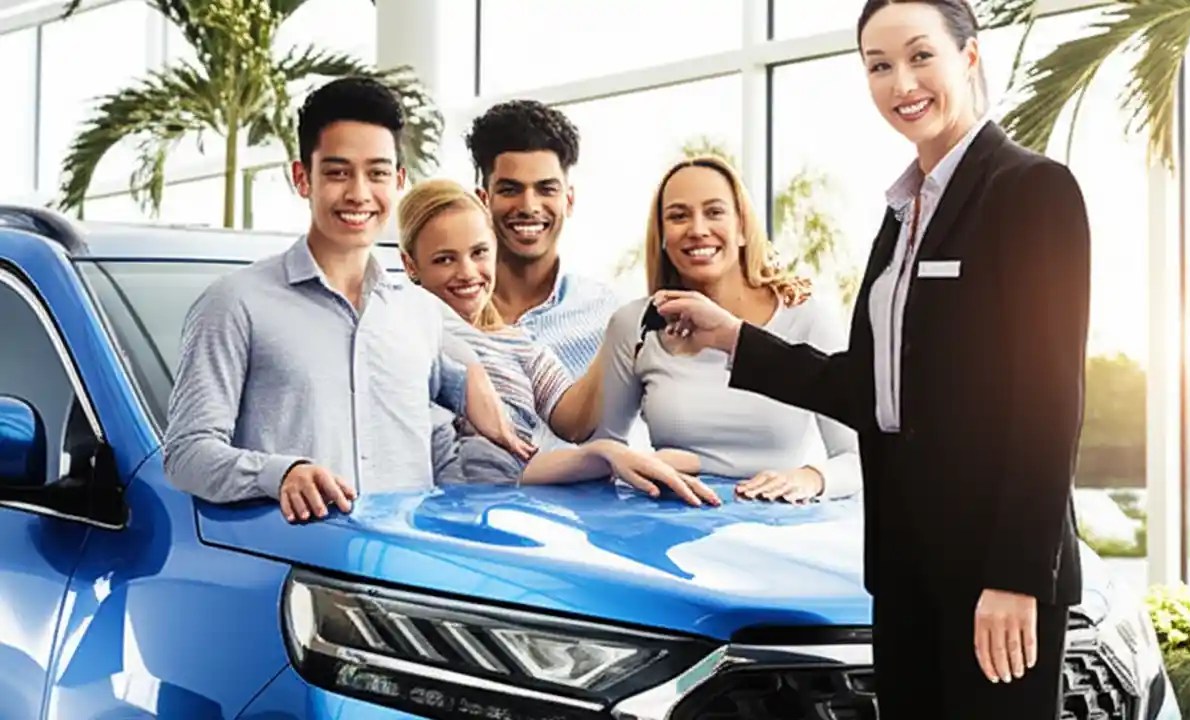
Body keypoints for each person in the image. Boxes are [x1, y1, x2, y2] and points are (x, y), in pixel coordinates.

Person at [654, 1, 1091, 716]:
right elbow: (868, 387)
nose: (901, 82)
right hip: (904, 571)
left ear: (970, 58)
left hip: (991, 572)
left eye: (921, 57)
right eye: (879, 65)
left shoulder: (1030, 191)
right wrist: (733, 335)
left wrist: (1017, 578)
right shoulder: (901, 216)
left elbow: (1050, 402)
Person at [164, 77, 532, 524]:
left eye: (377, 173)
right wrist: (280, 474)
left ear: (397, 180)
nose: (359, 193)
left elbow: (440, 455)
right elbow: (186, 454)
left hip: (409, 575)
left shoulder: (419, 314)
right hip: (299, 581)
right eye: (338, 172)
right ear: (303, 178)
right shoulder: (235, 304)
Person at [398, 178, 712, 504]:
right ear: (410, 265)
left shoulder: (518, 343)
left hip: (520, 508)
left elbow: (573, 421)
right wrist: (602, 456)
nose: (467, 272)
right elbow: (477, 472)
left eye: (479, 253)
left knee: (683, 461)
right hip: (459, 513)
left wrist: (626, 329)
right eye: (444, 259)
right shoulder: (409, 343)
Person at [592, 154, 862, 505]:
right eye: (678, 216)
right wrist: (640, 465)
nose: (698, 228)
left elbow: (858, 457)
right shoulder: (635, 325)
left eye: (715, 212)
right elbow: (604, 452)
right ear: (662, 236)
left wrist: (810, 478)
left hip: (775, 525)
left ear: (742, 228)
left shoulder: (806, 319)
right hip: (667, 525)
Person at [464, 99, 620, 380]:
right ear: (482, 200)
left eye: (546, 189)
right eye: (510, 190)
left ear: (568, 200)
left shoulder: (609, 317)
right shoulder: (445, 310)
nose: (528, 207)